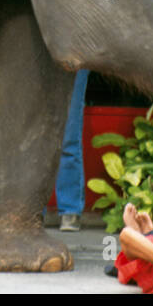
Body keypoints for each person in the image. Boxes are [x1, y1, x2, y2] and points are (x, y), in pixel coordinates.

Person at [53, 69, 91, 231]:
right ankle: (34, 209)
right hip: (39, 53)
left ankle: (70, 209)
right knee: (35, 136)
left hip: (74, 53)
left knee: (69, 134)